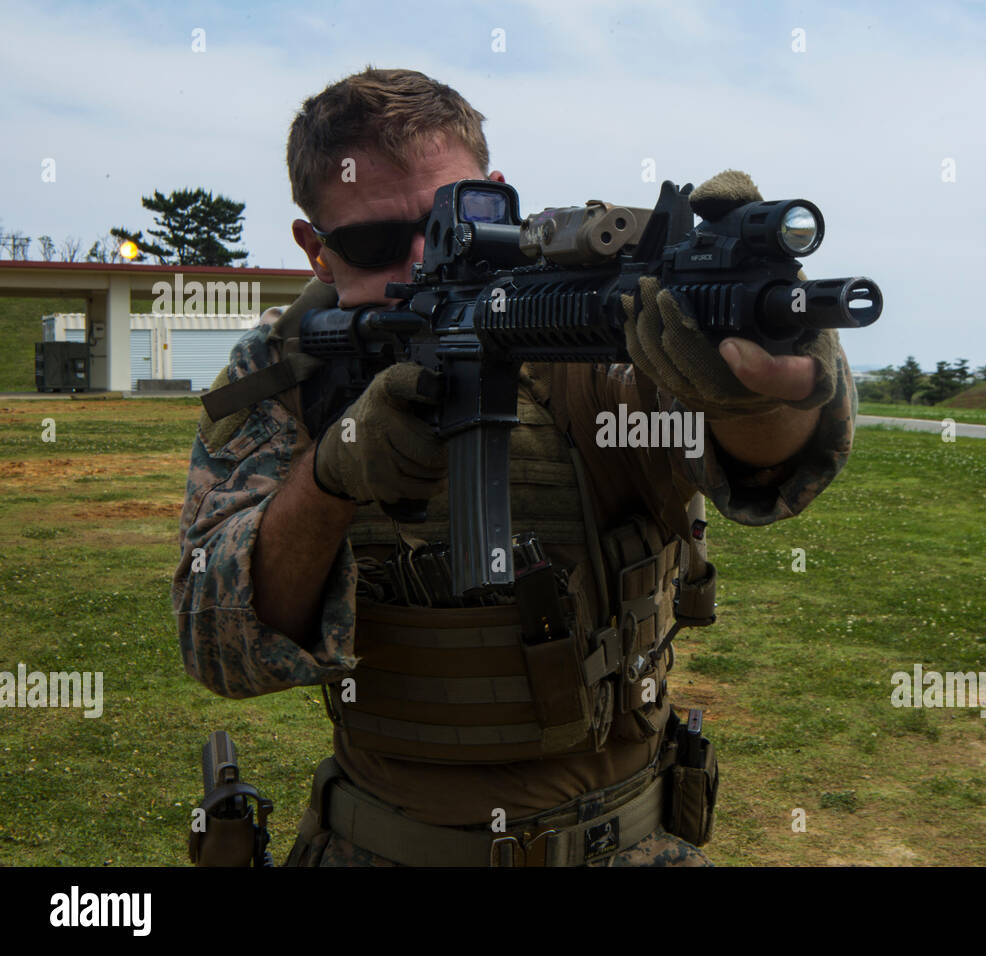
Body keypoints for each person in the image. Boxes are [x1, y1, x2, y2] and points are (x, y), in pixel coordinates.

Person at [172, 67, 857, 866]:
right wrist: (331, 477)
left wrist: (763, 386)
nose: (425, 258)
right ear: (314, 248)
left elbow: (769, 464)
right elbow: (216, 639)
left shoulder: (590, 334)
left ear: (497, 196)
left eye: (452, 220)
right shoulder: (284, 376)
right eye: (374, 242)